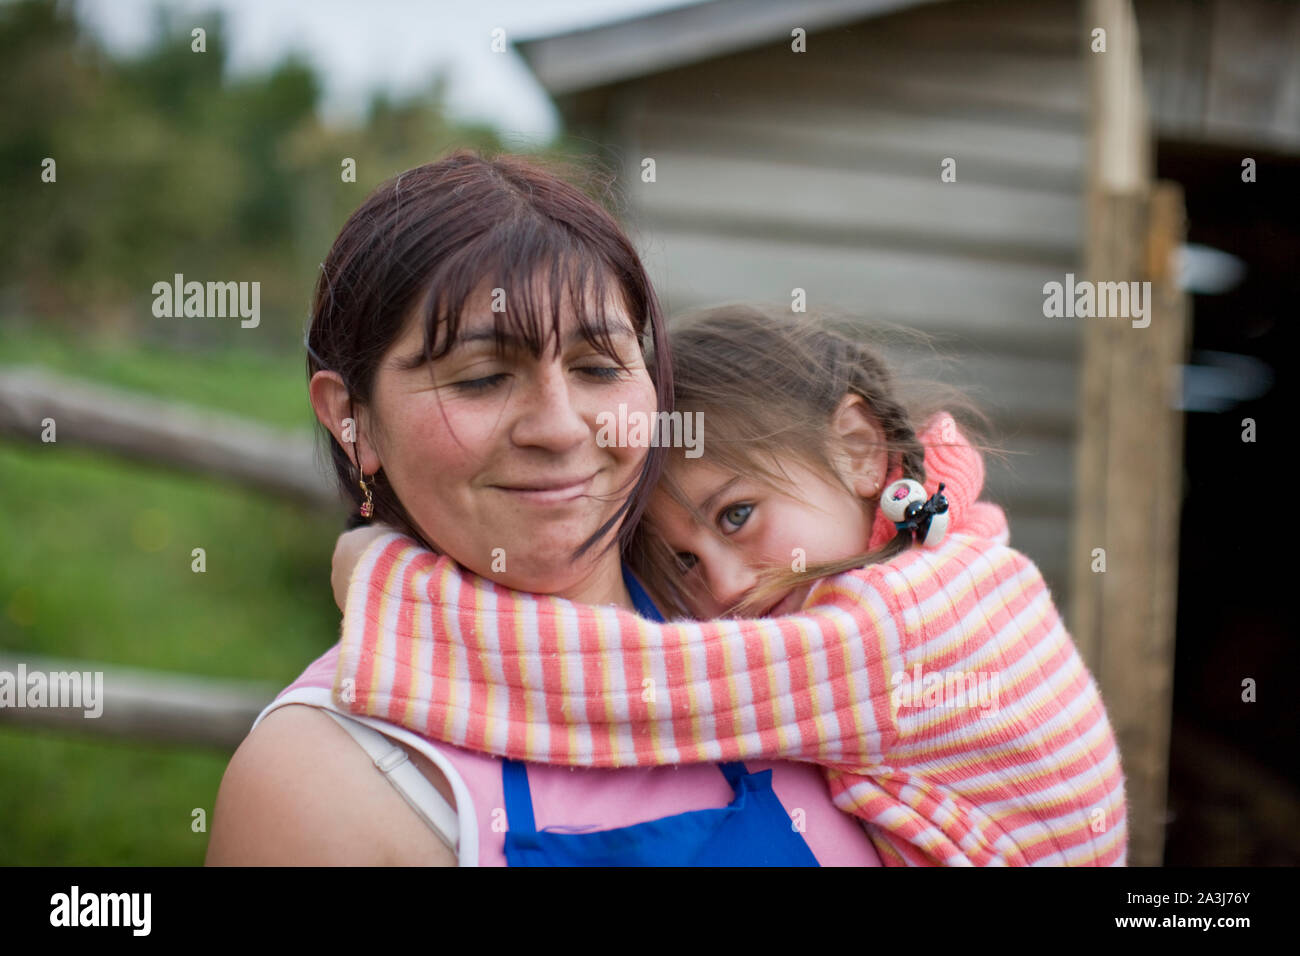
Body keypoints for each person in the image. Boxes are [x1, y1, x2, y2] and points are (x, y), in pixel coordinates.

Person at [204, 154, 883, 866]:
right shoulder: (329, 779)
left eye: (597, 368)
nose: (559, 427)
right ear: (355, 422)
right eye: (483, 377)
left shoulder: (773, 624)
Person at [330, 306, 1129, 866]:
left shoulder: (891, 632)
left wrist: (387, 583)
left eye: (738, 515)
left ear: (856, 448)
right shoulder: (956, 556)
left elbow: (632, 690)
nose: (725, 585)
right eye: (682, 562)